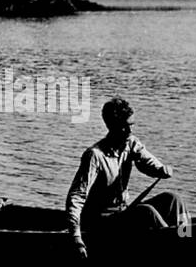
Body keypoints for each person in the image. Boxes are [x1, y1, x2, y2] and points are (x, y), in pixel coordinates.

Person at [66, 96, 189, 258]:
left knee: (173, 199)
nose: (130, 131)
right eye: (125, 127)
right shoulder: (95, 156)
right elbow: (76, 197)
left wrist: (162, 170)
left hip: (122, 214)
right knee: (146, 213)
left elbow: (147, 163)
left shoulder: (130, 143)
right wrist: (76, 236)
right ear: (113, 126)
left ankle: (186, 237)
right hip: (101, 223)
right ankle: (176, 248)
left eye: (132, 125)